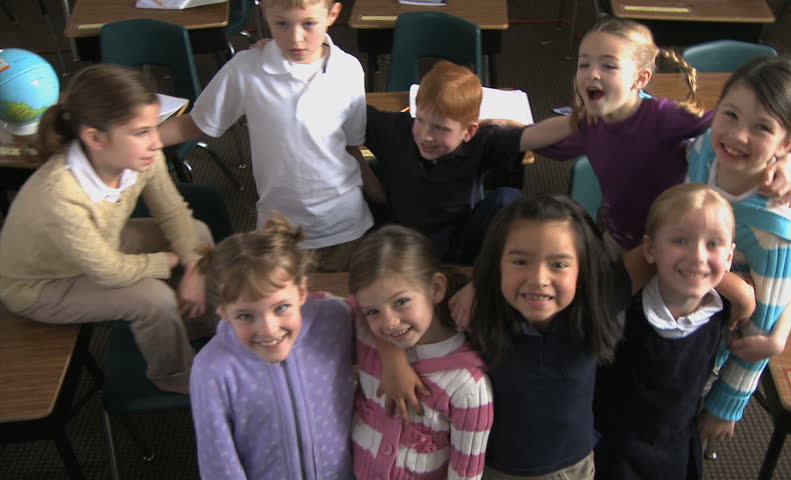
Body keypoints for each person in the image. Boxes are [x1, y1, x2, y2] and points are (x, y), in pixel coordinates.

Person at [501, 17, 791, 287]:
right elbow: (549, 134)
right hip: (618, 237)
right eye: (584, 64)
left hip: (671, 245)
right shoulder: (592, 120)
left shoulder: (663, 117)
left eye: (608, 65)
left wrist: (785, 160)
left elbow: (729, 129)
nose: (592, 74)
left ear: (640, 79)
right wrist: (505, 129)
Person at [0, 64, 213, 395]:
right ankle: (174, 374)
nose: (157, 142)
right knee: (153, 300)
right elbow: (109, 272)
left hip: (97, 244)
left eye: (155, 127)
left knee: (196, 234)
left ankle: (201, 326)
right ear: (95, 138)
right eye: (141, 131)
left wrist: (194, 271)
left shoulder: (143, 154)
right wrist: (174, 260)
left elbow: (172, 211)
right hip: (42, 284)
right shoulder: (60, 194)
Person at [159, 0, 375, 272]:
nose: (295, 38)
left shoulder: (348, 69)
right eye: (281, 24)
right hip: (279, 227)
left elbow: (352, 145)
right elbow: (197, 123)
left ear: (332, 14)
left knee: (340, 303)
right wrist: (144, 139)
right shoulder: (247, 68)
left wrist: (381, 194)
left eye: (308, 24)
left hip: (343, 223)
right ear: (265, 16)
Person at [686, 56, 791, 440]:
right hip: (683, 287)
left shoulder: (772, 228)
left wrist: (726, 405)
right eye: (730, 115)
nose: (737, 135)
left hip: (718, 332)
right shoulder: (703, 150)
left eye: (762, 127)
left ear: (786, 143)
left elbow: (762, 332)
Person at [468, 194, 630, 479]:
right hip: (493, 468)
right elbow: (392, 298)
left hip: (572, 467)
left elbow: (660, 253)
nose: (539, 278)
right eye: (520, 261)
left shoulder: (597, 305)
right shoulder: (473, 315)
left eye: (559, 265)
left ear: (583, 270)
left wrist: (738, 293)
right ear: (497, 264)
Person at [190, 215, 356, 479]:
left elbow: (382, 333)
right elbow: (218, 459)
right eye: (245, 316)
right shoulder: (211, 368)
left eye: (281, 308)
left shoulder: (335, 319)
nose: (268, 328)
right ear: (223, 311)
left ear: (302, 292)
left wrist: (394, 360)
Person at [594, 184, 737, 480]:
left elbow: (783, 301)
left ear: (730, 257)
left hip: (675, 446)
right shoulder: (623, 310)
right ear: (650, 249)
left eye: (713, 244)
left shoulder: (724, 311)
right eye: (680, 241)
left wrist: (727, 404)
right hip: (612, 448)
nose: (698, 256)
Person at [348, 224, 493, 479]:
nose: (389, 322)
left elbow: (465, 474)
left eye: (401, 302)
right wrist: (393, 359)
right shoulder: (367, 334)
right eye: (373, 311)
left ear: (436, 288)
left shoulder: (468, 388)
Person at [363, 60, 524, 264]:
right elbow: (343, 108)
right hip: (403, 243)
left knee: (509, 198)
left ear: (469, 131)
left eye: (441, 128)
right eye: (420, 120)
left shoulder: (481, 141)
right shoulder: (396, 130)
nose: (426, 136)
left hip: (460, 242)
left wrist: (506, 124)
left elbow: (538, 137)